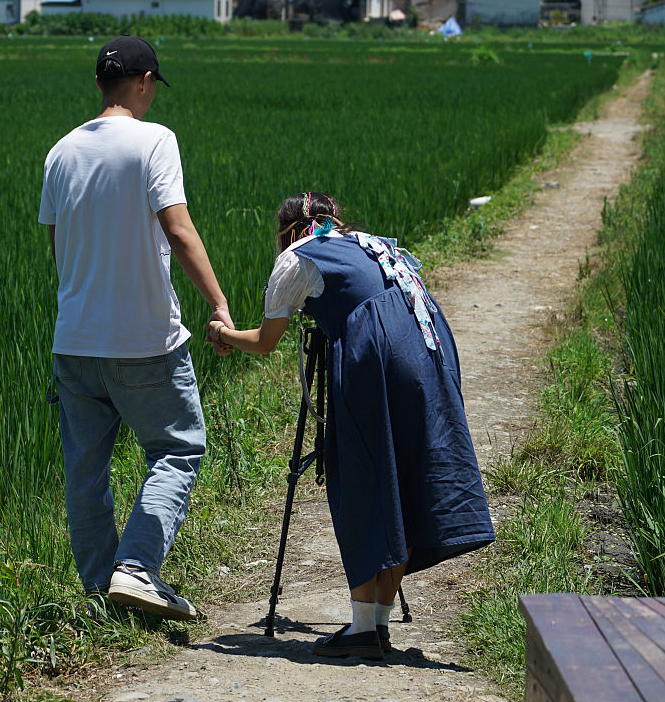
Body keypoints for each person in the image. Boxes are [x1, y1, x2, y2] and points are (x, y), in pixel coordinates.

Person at [208, 193, 494, 659]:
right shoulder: (370, 244)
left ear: (287, 232)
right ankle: (377, 623)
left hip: (376, 355)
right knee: (403, 478)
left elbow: (264, 342)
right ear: (333, 220)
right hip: (428, 347)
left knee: (362, 473)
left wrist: (221, 333)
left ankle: (361, 630)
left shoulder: (297, 258)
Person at [39, 35, 233, 621]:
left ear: (99, 83)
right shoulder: (155, 140)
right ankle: (138, 569)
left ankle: (102, 593)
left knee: (85, 471)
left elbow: (59, 249)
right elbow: (178, 229)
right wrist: (219, 303)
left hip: (75, 342)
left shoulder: (60, 153)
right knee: (177, 449)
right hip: (144, 340)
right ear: (145, 81)